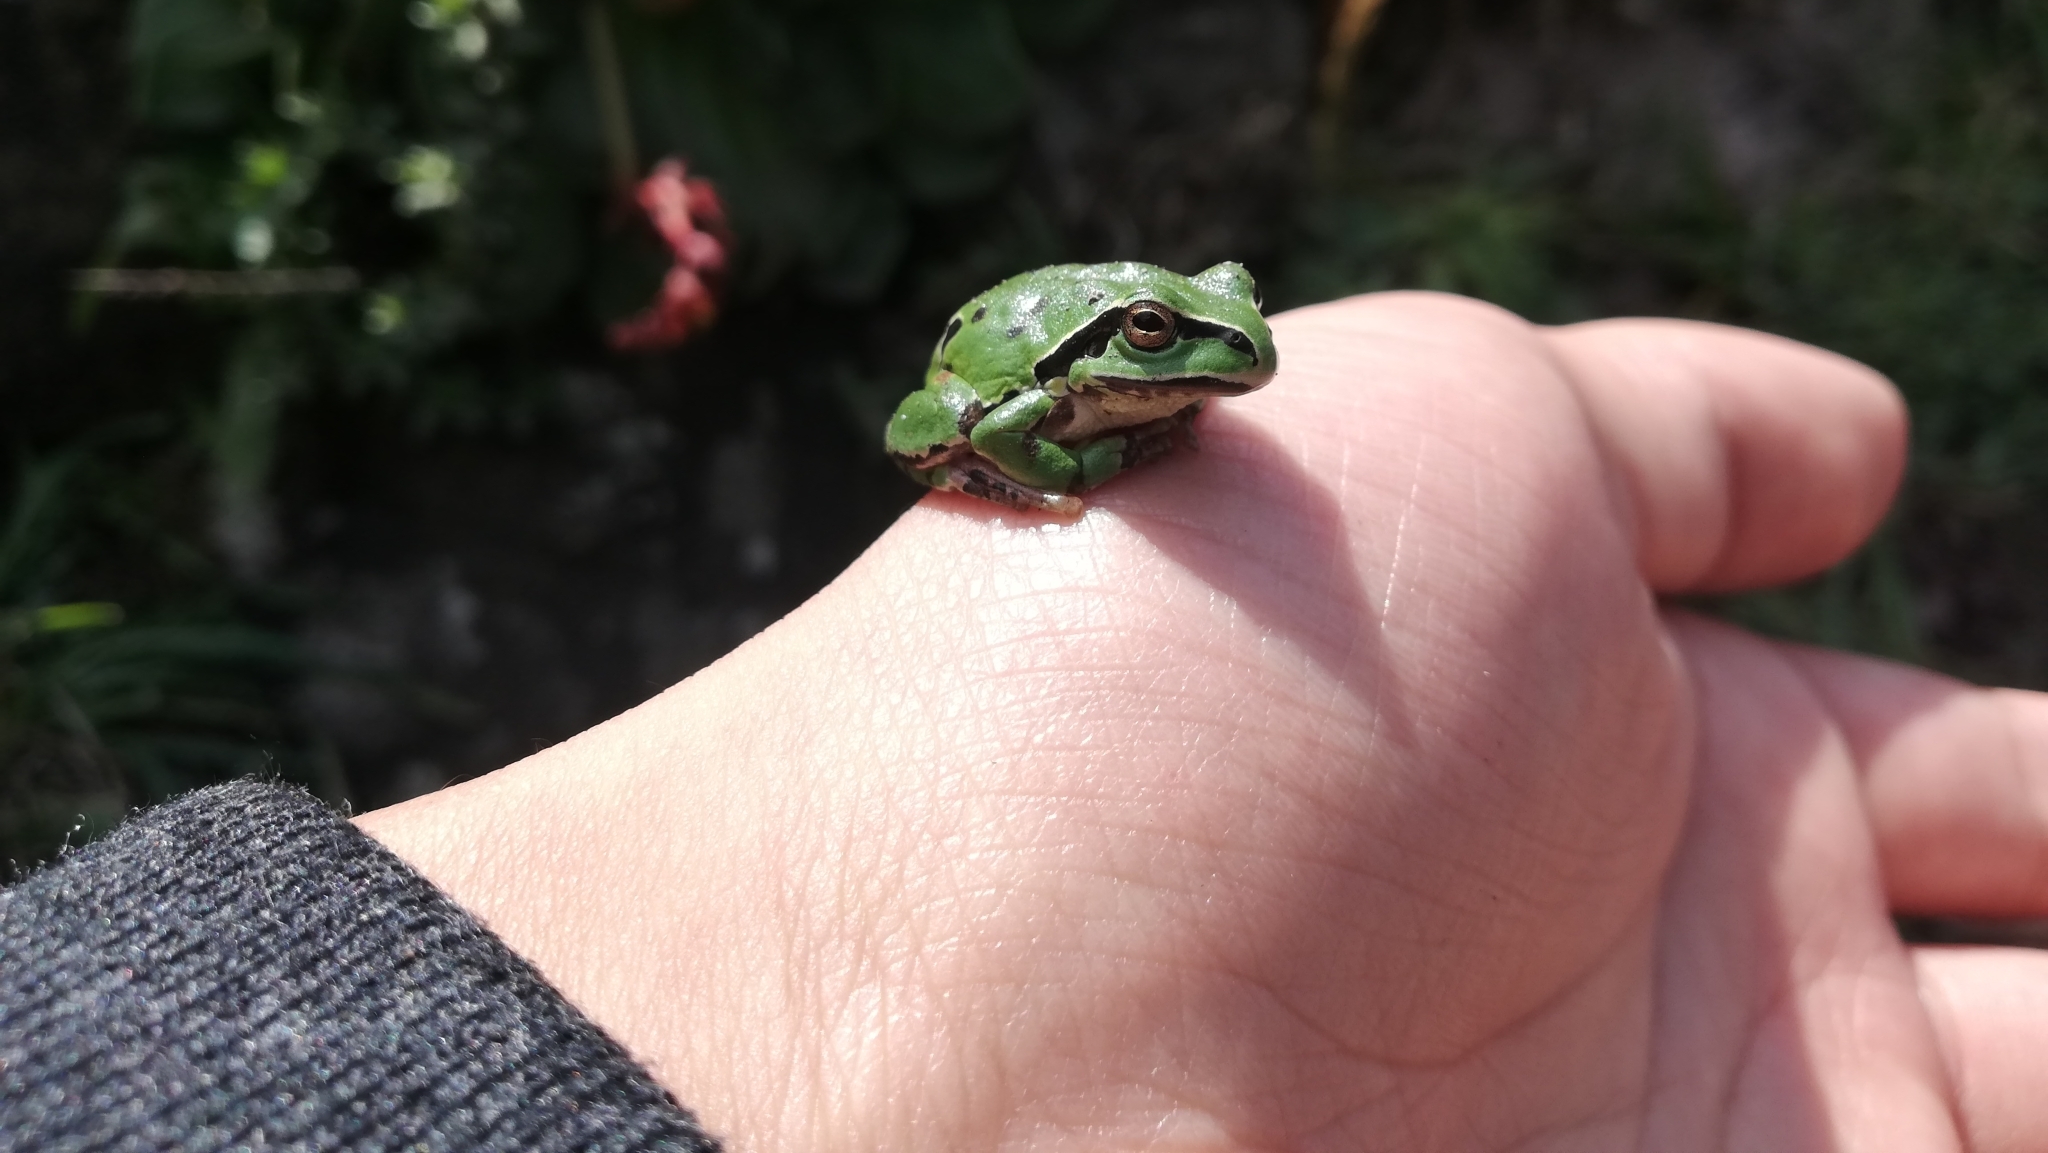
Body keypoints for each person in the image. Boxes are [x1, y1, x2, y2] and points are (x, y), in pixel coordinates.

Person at [7, 293, 2047, 1151]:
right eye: (1171, 343)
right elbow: (962, 423)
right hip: (985, 388)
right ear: (1118, 352)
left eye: (1215, 326)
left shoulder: (1210, 359)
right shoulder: (1079, 381)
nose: (1218, 360)